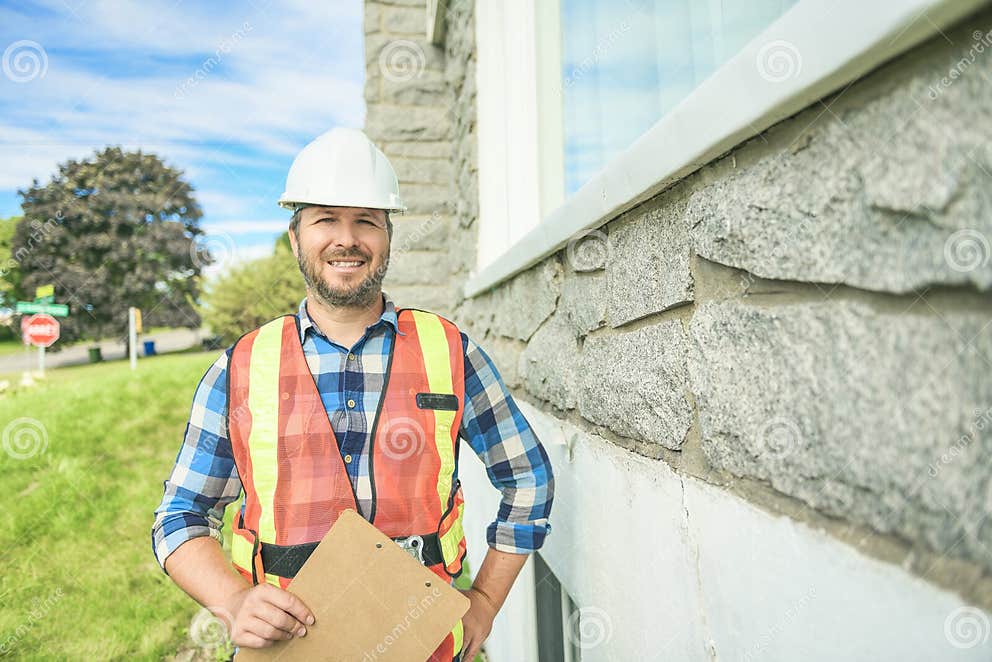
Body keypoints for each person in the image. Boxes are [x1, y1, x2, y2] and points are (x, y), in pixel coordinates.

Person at [151, 127, 555, 661]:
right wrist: (232, 600)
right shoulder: (240, 369)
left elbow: (528, 478)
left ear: (387, 237)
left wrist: (483, 601)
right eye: (325, 220)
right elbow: (180, 515)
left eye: (366, 220)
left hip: (423, 643)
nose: (347, 239)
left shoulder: (450, 351)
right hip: (288, 649)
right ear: (296, 238)